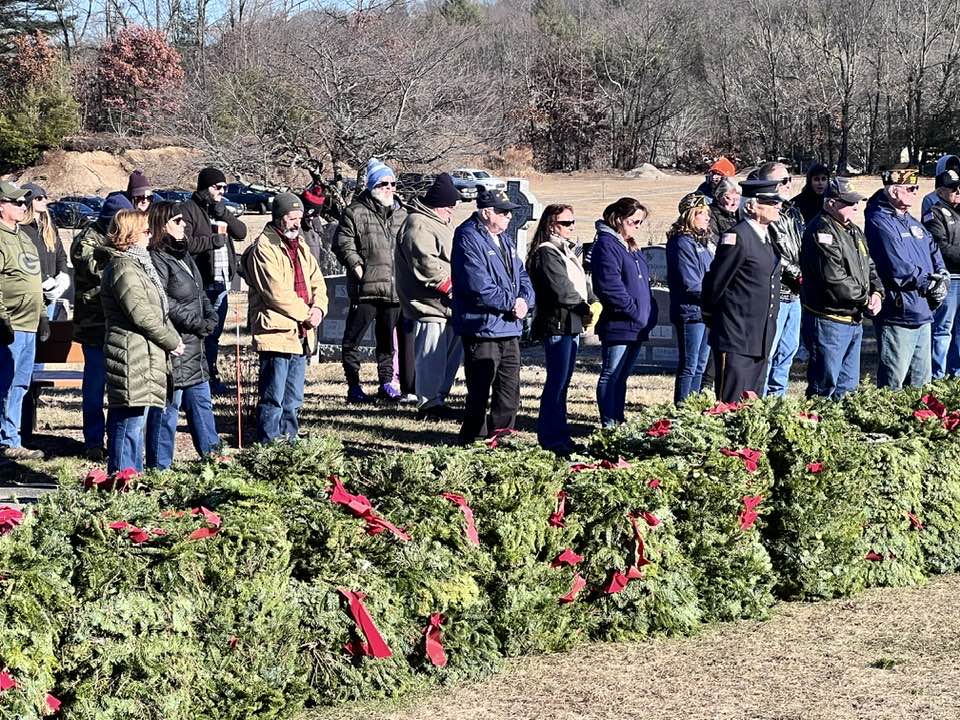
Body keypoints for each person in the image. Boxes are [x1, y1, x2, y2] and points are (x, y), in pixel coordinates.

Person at [100, 209, 184, 473]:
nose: (150, 236)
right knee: (128, 424)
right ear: (130, 234)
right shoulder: (123, 267)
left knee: (136, 422)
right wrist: (171, 340)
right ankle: (124, 481)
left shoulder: (139, 264)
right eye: (145, 231)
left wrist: (171, 337)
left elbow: (159, 308)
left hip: (145, 352)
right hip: (130, 352)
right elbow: (142, 313)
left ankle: (131, 479)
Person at [451, 189, 534, 444]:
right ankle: (473, 440)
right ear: (486, 212)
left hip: (509, 327)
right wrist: (512, 303)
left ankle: (503, 439)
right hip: (482, 327)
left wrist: (525, 301)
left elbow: (522, 276)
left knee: (509, 392)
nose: (509, 216)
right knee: (479, 391)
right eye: (503, 211)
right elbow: (478, 286)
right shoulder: (468, 237)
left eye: (509, 211)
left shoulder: (504, 239)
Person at [243, 193, 328, 443]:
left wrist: (319, 309)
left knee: (293, 399)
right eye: (292, 218)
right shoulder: (264, 248)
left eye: (299, 218)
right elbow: (275, 292)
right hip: (276, 331)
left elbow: (318, 282)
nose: (296, 223)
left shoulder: (300, 245)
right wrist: (306, 314)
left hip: (301, 332)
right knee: (273, 397)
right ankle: (268, 445)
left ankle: (290, 442)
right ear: (279, 218)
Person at [144, 201, 220, 469]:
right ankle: (159, 468)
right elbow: (163, 300)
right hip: (174, 344)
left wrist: (210, 317)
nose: (183, 224)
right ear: (161, 225)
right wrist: (196, 322)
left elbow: (199, 292)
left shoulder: (182, 255)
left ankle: (214, 462)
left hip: (195, 345)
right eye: (176, 221)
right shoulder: (155, 258)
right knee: (167, 411)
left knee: (202, 405)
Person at [332, 158, 409, 404]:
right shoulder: (355, 211)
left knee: (387, 342)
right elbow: (343, 242)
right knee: (352, 340)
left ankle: (387, 383)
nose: (389, 188)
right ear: (373, 185)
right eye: (384, 183)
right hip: (365, 288)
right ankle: (354, 386)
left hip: (394, 290)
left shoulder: (402, 213)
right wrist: (355, 265)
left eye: (393, 183)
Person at [800, 177, 883, 399]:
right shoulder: (821, 231)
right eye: (848, 202)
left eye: (856, 202)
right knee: (823, 387)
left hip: (852, 320)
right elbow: (833, 278)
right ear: (830, 203)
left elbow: (869, 266)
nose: (855, 206)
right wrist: (865, 299)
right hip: (829, 320)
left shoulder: (853, 229)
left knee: (848, 389)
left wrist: (877, 292)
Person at [702, 178, 783, 403]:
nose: (778, 206)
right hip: (736, 334)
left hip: (760, 335)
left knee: (751, 405)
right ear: (751, 206)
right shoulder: (738, 237)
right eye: (771, 202)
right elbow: (716, 282)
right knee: (730, 402)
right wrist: (711, 315)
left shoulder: (768, 236)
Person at [865, 166, 947, 390]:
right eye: (910, 188)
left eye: (917, 187)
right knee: (895, 380)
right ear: (893, 191)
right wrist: (928, 282)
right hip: (898, 312)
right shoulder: (879, 221)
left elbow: (933, 248)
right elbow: (897, 267)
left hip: (922, 310)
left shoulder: (910, 220)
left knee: (922, 382)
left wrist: (942, 275)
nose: (915, 192)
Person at [395, 173, 463, 421]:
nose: (452, 212)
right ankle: (428, 402)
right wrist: (451, 287)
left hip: (448, 306)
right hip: (429, 304)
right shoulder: (418, 223)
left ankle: (439, 398)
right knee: (431, 356)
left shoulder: (438, 223)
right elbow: (426, 265)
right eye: (450, 207)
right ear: (439, 205)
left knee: (447, 355)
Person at [71, 191, 133, 460]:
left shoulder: (118, 237)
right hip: (95, 326)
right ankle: (93, 440)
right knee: (95, 388)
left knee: (119, 388)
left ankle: (116, 439)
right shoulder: (87, 240)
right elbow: (96, 268)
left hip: (118, 325)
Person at [526, 203, 591, 453]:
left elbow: (580, 283)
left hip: (570, 323)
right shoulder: (546, 252)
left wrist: (590, 302)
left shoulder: (565, 250)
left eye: (573, 222)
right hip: (557, 323)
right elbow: (561, 290)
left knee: (563, 383)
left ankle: (561, 436)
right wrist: (584, 307)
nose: (571, 227)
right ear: (551, 224)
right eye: (566, 223)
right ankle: (552, 437)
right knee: (556, 382)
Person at [591, 197, 657, 427]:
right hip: (620, 322)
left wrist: (649, 312)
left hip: (636, 323)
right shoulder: (607, 245)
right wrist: (634, 311)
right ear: (618, 218)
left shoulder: (629, 245)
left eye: (640, 222)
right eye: (633, 221)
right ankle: (609, 423)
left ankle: (617, 419)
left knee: (622, 376)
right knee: (611, 374)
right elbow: (610, 286)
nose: (637, 226)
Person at [182, 167, 248, 395]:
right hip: (201, 284)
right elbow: (185, 243)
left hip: (222, 283)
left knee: (215, 334)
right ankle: (199, 379)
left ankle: (211, 376)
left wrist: (225, 214)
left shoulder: (220, 209)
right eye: (217, 187)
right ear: (204, 187)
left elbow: (241, 233)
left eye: (224, 187)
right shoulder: (188, 210)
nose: (221, 191)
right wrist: (212, 240)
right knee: (201, 334)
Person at [0, 182, 45, 460]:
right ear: (1, 206)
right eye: (16, 202)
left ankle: (11, 438)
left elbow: (34, 280)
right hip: (10, 325)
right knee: (5, 384)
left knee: (20, 385)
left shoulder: (24, 237)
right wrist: (2, 319)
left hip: (29, 324)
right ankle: (6, 440)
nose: (22, 207)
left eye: (23, 203)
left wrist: (42, 317)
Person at [758, 162, 804, 397]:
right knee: (769, 352)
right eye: (783, 181)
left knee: (788, 351)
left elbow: (800, 245)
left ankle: (778, 400)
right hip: (776, 292)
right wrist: (795, 273)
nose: (789, 185)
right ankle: (762, 402)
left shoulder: (793, 210)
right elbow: (770, 251)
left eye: (789, 179)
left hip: (795, 294)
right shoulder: (761, 210)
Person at [666, 193, 714, 403]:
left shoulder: (702, 242)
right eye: (702, 213)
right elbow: (690, 282)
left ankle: (693, 408)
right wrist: (715, 296)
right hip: (691, 311)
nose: (707, 218)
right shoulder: (681, 242)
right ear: (690, 215)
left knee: (701, 365)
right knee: (690, 364)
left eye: (707, 214)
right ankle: (682, 408)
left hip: (705, 311)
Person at [922, 169, 960, 378]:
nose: (958, 191)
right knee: (943, 329)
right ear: (940, 191)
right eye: (953, 189)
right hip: (950, 279)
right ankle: (937, 374)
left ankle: (956, 373)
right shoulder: (934, 213)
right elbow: (941, 247)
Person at [20, 183, 69, 321]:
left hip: (51, 296)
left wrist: (63, 274)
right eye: (39, 198)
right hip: (30, 296)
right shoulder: (21, 229)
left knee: (47, 339)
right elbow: (23, 260)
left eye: (45, 197)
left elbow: (60, 254)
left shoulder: (49, 227)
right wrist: (44, 280)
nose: (44, 201)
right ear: (28, 202)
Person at [707, 178, 741, 245]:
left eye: (737, 199)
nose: (734, 203)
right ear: (719, 196)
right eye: (729, 198)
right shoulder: (710, 213)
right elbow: (713, 241)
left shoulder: (742, 212)